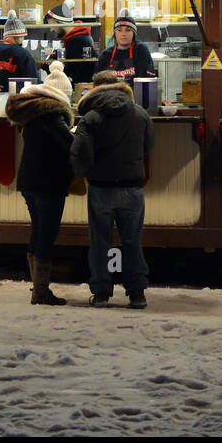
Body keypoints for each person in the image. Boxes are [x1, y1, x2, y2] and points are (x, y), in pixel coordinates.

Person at [70, 70, 154, 308]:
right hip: (133, 187)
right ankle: (137, 292)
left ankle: (101, 293)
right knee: (132, 240)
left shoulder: (91, 117)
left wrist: (84, 173)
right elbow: (149, 145)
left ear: (93, 89)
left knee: (100, 241)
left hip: (101, 188)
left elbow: (79, 151)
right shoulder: (140, 113)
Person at [5, 61, 75, 305]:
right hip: (48, 180)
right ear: (60, 95)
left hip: (30, 179)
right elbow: (70, 144)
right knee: (47, 233)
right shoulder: (53, 115)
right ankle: (40, 291)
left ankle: (37, 284)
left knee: (38, 230)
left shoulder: (32, 112)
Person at [46, 0, 97, 84]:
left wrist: (46, 64)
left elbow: (72, 73)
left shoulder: (78, 40)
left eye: (52, 25)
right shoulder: (73, 38)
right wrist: (55, 54)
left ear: (61, 22)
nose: (51, 30)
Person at [95, 12, 155, 82]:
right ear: (115, 33)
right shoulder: (106, 54)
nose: (123, 34)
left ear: (134, 33)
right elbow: (98, 82)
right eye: (119, 30)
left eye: (128, 30)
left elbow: (148, 80)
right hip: (111, 92)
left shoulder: (141, 50)